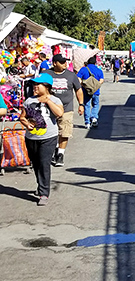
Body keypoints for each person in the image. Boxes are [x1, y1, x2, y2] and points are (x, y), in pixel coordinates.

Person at [19, 73, 63, 206]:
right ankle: (40, 185)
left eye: (38, 84)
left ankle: (44, 193)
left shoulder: (55, 100)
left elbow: (59, 113)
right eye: (34, 84)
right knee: (36, 164)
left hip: (48, 137)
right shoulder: (29, 101)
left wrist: (47, 101)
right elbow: (22, 117)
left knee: (44, 163)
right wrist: (26, 124)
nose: (35, 87)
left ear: (47, 86)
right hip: (31, 137)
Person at [45, 54, 84, 167]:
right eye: (61, 62)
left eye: (65, 62)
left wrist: (81, 104)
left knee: (65, 132)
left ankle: (60, 154)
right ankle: (52, 151)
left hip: (66, 109)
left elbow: (78, 90)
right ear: (54, 63)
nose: (65, 64)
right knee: (49, 132)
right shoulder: (47, 74)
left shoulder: (71, 75)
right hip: (48, 109)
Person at [77, 56, 104, 129]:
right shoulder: (99, 70)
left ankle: (87, 122)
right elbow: (101, 80)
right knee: (95, 104)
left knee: (87, 105)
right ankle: (94, 118)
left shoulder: (83, 69)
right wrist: (96, 86)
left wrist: (83, 84)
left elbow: (78, 78)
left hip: (86, 91)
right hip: (96, 91)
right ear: (95, 63)